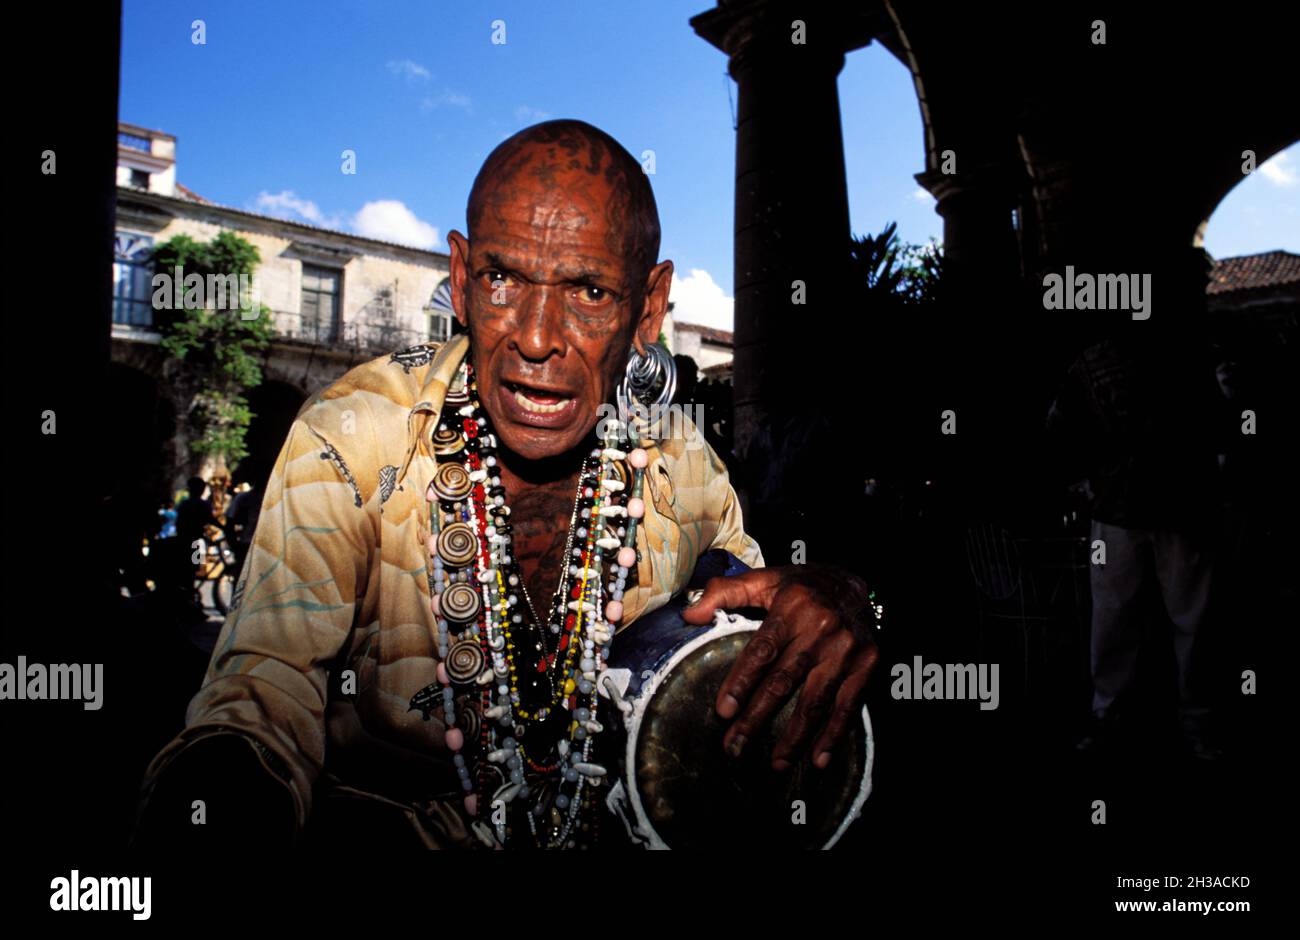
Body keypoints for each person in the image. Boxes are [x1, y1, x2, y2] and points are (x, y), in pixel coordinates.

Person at [134, 120, 880, 850]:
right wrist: (216, 802)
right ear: (459, 278)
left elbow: (753, 649)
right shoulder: (356, 438)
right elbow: (264, 689)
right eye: (501, 278)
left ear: (649, 308)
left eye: (588, 290)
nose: (534, 335)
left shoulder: (683, 469)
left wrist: (839, 600)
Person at [1047, 330, 1223, 761]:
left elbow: (1215, 420)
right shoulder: (1095, 361)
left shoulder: (1184, 357)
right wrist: (1082, 485)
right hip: (1121, 512)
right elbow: (1059, 427)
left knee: (1189, 619)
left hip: (1174, 509)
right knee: (1117, 619)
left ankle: (1192, 718)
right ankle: (1114, 715)